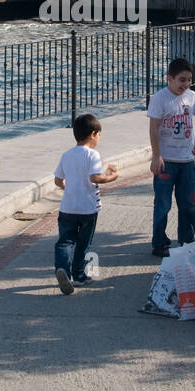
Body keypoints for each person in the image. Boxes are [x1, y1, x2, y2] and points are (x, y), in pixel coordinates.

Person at [52, 113, 119, 294]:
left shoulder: (66, 155)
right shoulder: (92, 154)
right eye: (99, 135)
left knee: (65, 241)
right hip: (88, 208)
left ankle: (62, 269)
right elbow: (95, 178)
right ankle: (79, 276)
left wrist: (69, 187)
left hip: (67, 208)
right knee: (83, 243)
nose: (98, 139)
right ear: (92, 134)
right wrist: (112, 177)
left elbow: (58, 180)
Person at [147, 57, 195, 257]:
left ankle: (187, 240)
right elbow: (154, 128)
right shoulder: (160, 99)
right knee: (162, 205)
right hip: (167, 161)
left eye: (189, 80)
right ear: (169, 79)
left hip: (187, 161)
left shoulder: (192, 96)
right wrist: (156, 156)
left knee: (189, 204)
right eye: (182, 80)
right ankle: (159, 243)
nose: (186, 84)